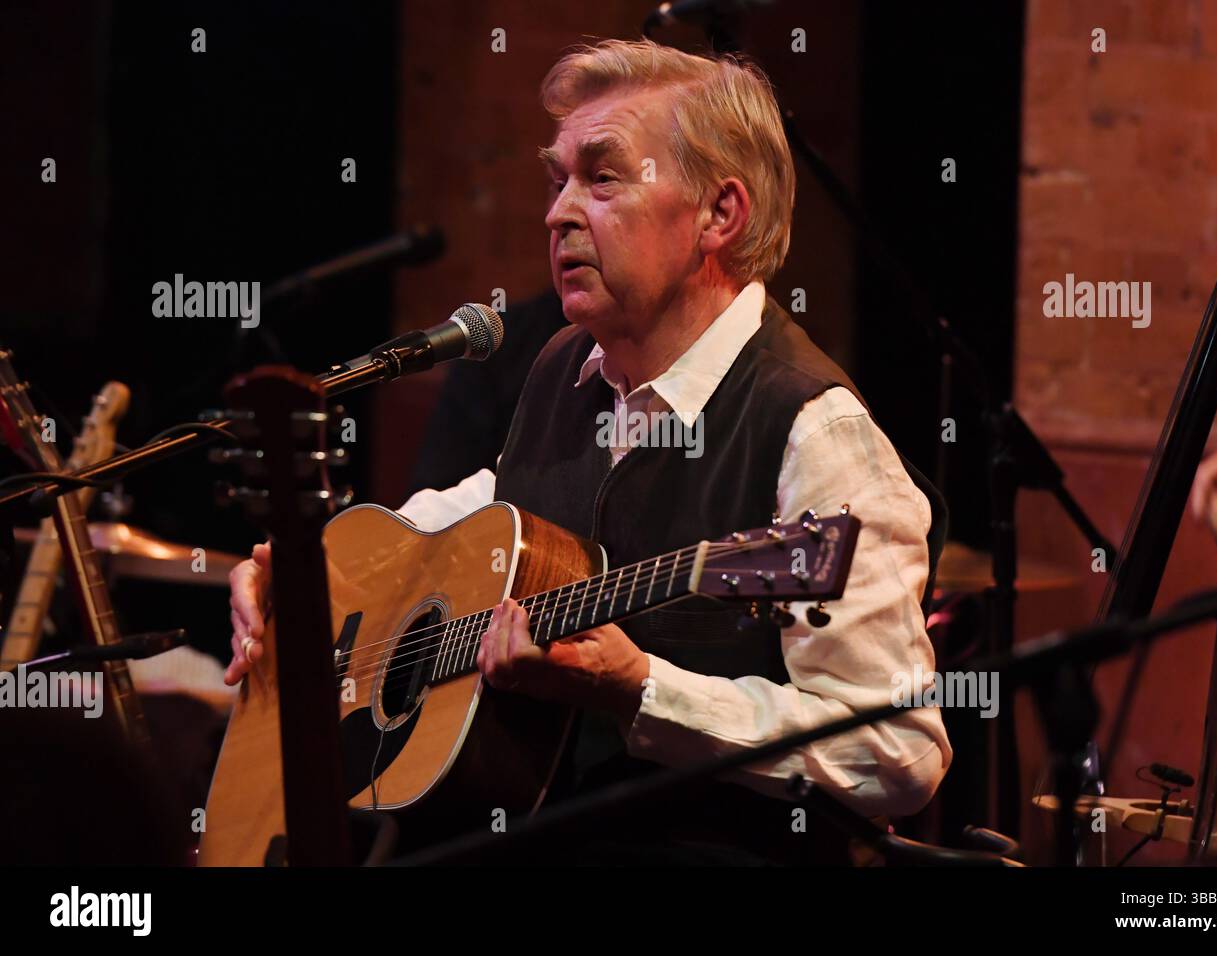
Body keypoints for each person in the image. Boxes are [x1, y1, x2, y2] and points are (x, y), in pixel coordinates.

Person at [225, 38, 951, 863]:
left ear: (721, 214)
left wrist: (645, 690)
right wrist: (312, 579)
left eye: (602, 178)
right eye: (557, 180)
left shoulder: (812, 430)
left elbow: (902, 754)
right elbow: (473, 517)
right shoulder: (565, 368)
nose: (558, 212)